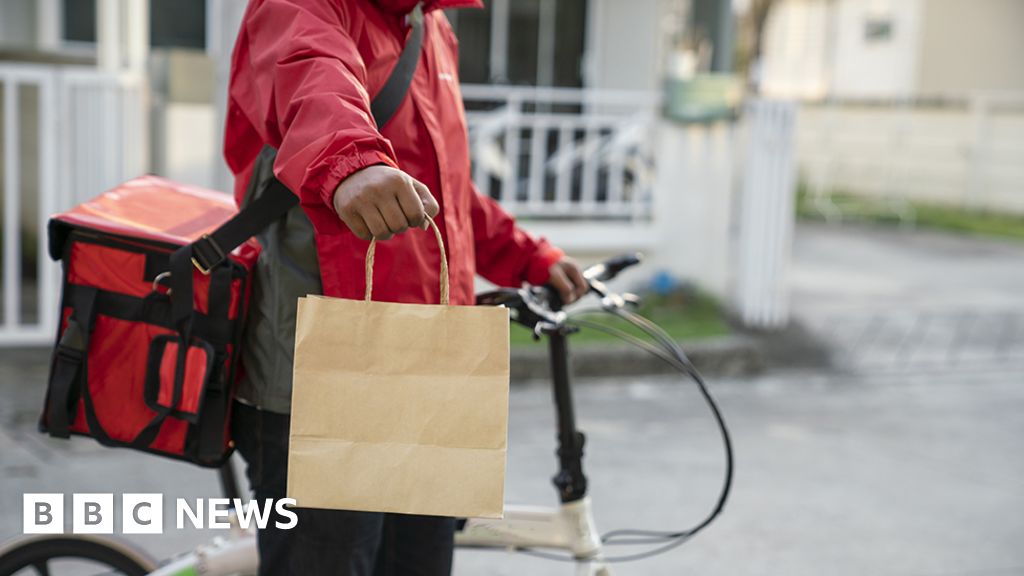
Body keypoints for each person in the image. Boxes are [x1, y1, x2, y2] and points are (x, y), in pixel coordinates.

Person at [222, 0, 588, 574]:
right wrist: (352, 162)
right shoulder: (301, 7)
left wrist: (529, 258)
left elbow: (443, 190)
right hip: (323, 379)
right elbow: (312, 75)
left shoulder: (431, 27)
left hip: (422, 372)